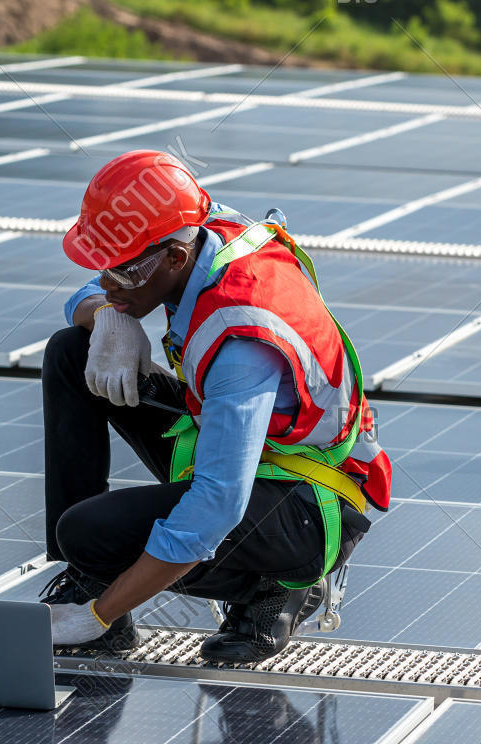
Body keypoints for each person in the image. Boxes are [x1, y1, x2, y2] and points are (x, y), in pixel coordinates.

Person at [38, 150, 393, 664]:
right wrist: (107, 319)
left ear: (175, 259)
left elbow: (216, 506)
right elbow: (94, 290)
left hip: (306, 500)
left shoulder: (242, 344)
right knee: (71, 351)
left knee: (89, 533)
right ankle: (85, 577)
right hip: (242, 443)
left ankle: (278, 584)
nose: (107, 282)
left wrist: (100, 614)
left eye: (118, 271)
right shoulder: (197, 227)